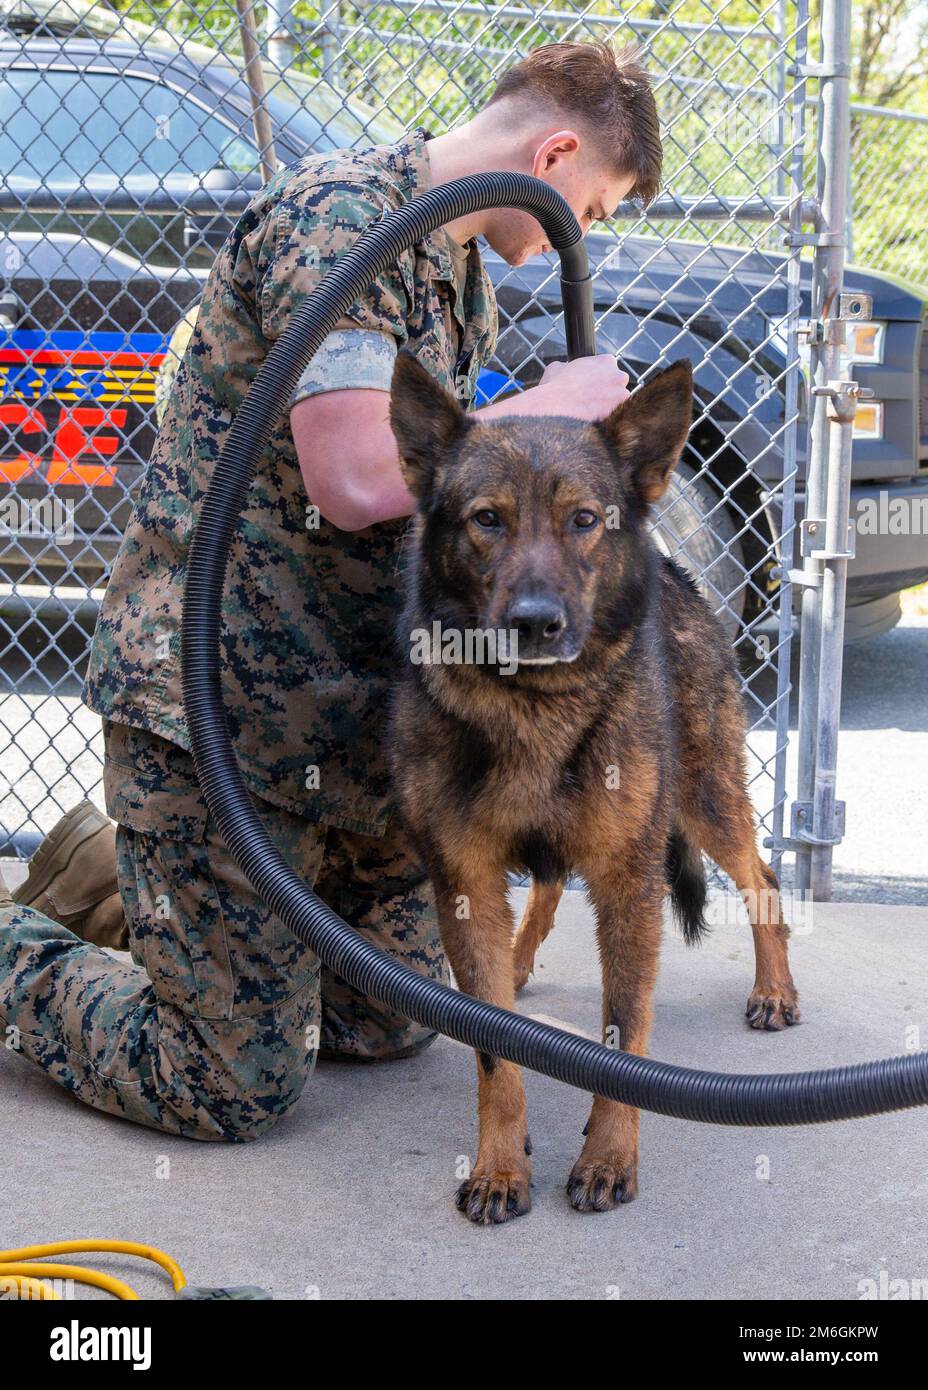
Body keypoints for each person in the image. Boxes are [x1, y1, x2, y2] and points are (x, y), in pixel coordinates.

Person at [0, 39, 662, 1141]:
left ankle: (145, 880)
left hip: (345, 713)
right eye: (588, 206)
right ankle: (39, 944)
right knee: (229, 1081)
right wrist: (544, 407)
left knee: (391, 1016)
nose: (573, 241)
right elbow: (354, 478)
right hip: (221, 708)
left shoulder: (452, 270)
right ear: (550, 152)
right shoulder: (345, 222)